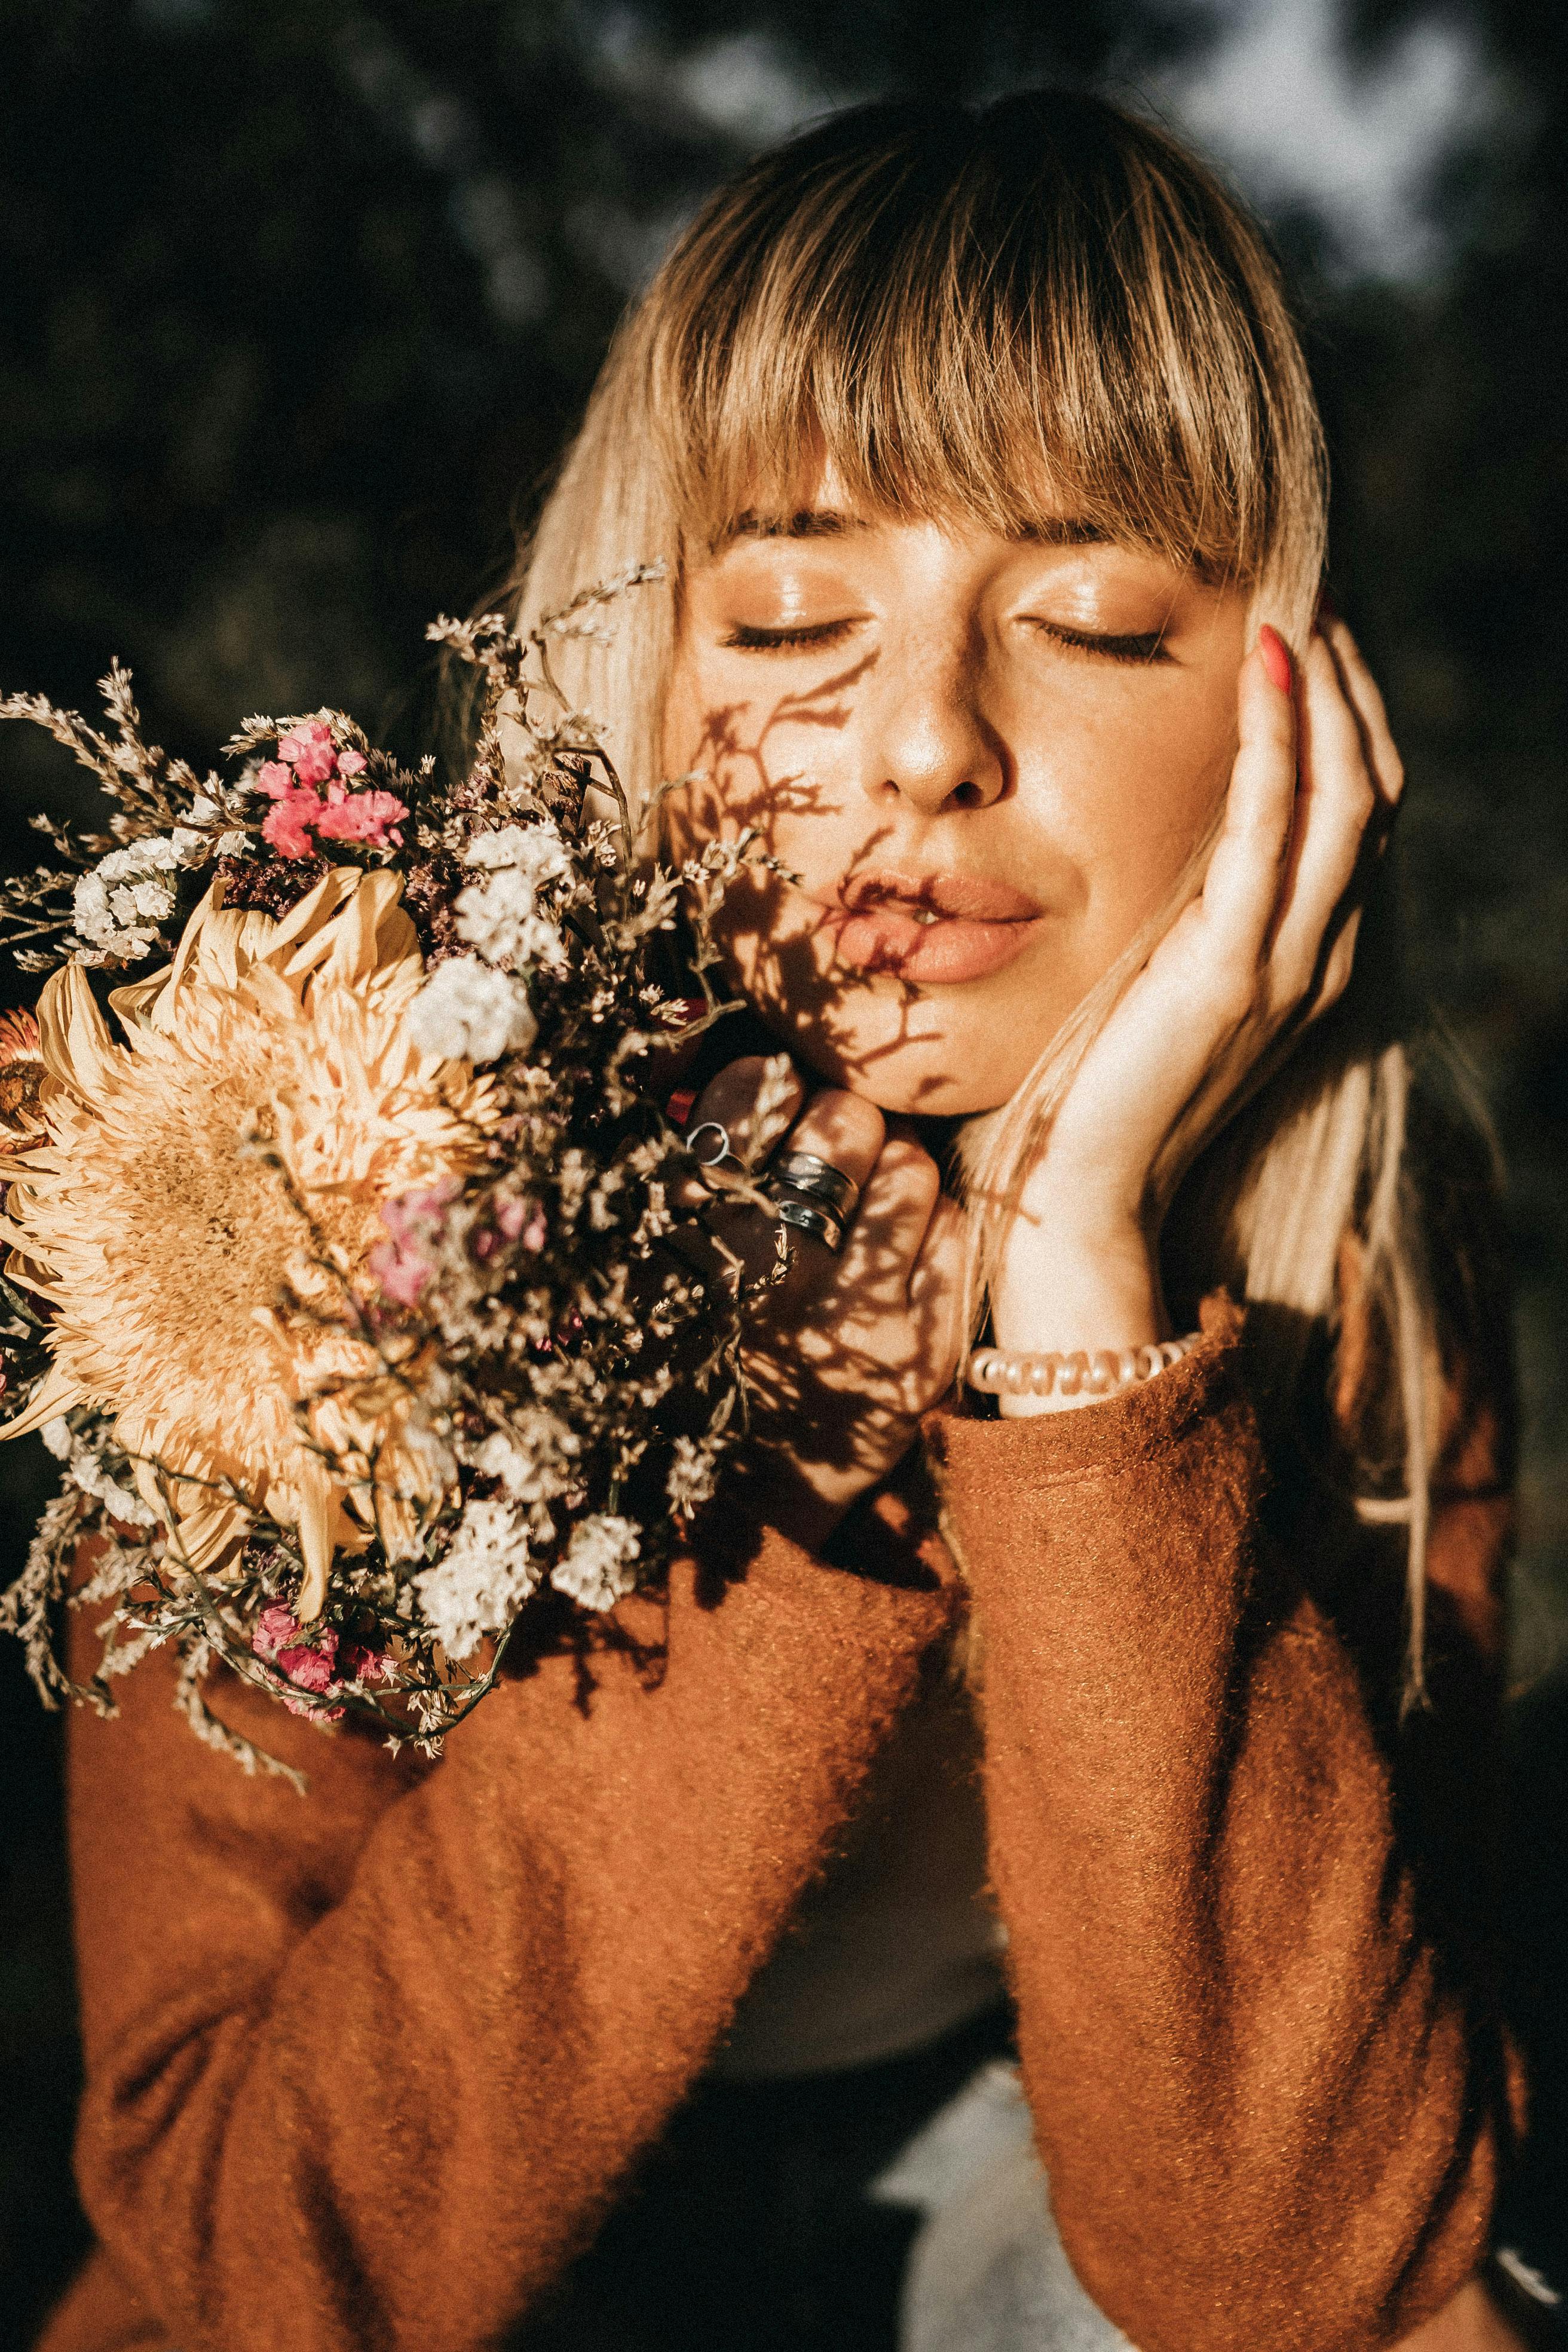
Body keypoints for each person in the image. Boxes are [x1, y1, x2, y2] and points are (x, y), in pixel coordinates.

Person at [41, 91, 1532, 2352]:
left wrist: (1085, 1300)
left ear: (1284, 714)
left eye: (1094, 619)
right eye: (794, 612)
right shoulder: (305, 1169)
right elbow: (278, 2260)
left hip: (1047, 2168)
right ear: (642, 664)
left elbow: (1294, 2270)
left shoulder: (1359, 1239)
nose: (925, 739)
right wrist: (808, 1463)